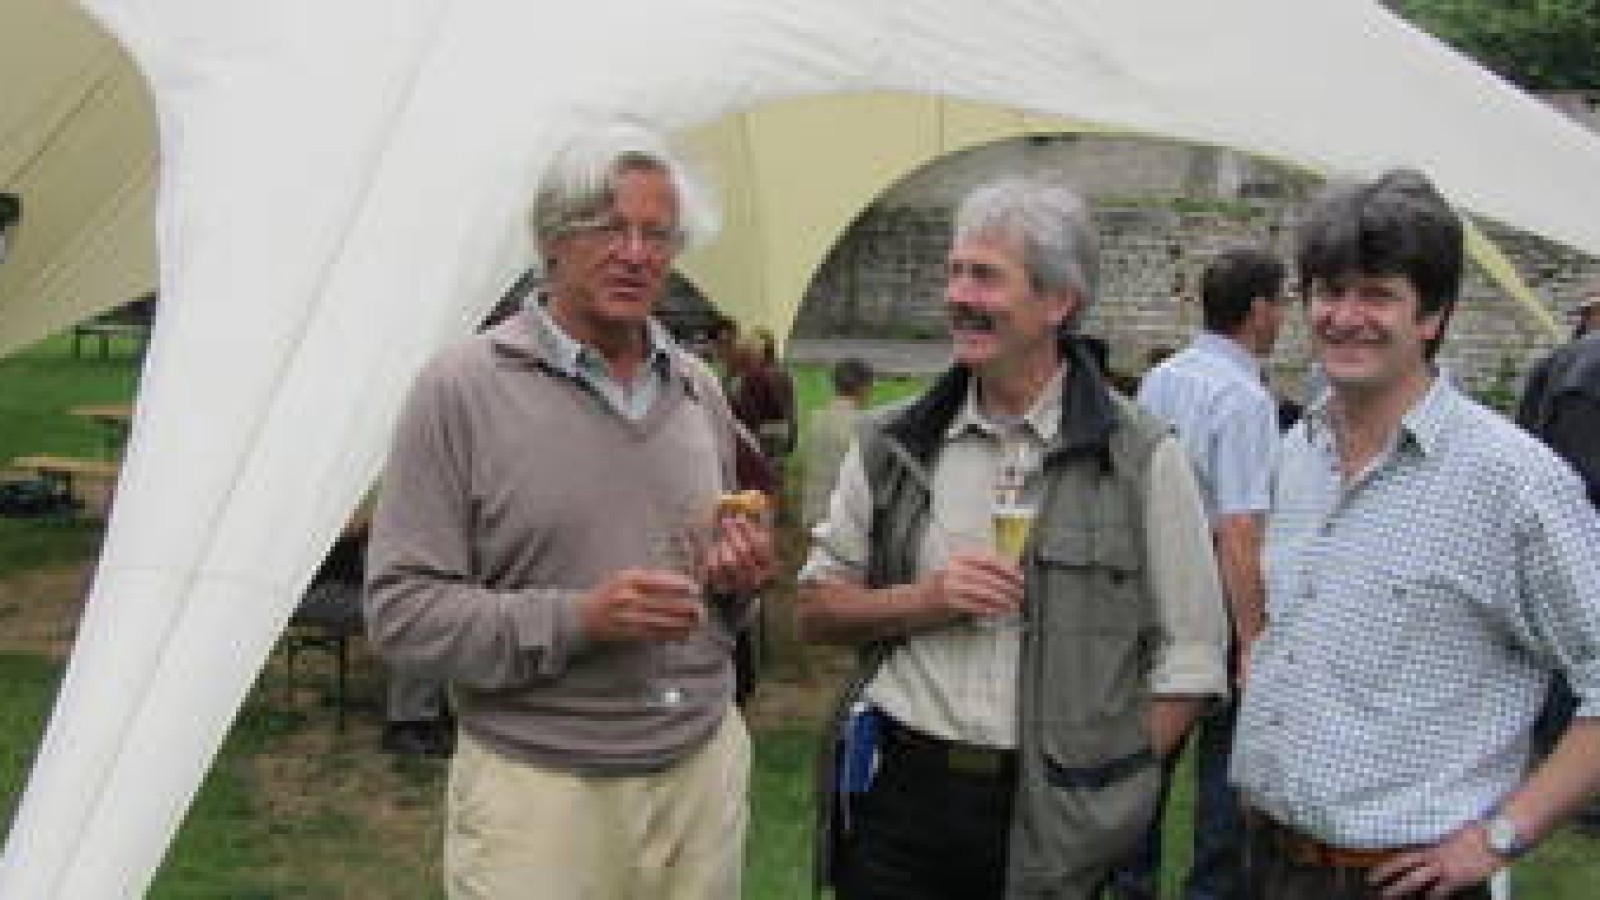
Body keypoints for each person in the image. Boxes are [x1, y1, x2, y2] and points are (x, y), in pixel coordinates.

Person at [364, 120, 776, 899]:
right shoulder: (461, 389)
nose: (635, 252)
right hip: (543, 794)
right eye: (607, 227)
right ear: (552, 240)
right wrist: (581, 619)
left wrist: (737, 581)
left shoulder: (698, 390)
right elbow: (401, 611)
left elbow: (719, 594)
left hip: (702, 768)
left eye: (658, 234)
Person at [798, 175, 1230, 899]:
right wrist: (929, 599)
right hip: (902, 794)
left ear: (1057, 302)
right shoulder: (894, 441)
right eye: (956, 272)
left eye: (986, 277)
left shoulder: (1141, 457)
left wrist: (1108, 789)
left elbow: (1192, 657)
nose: (959, 295)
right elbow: (814, 609)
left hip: (1048, 809)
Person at [1231, 169, 1600, 899]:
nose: (1345, 316)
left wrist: (1500, 837)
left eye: (1377, 294)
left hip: (1406, 881)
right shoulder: (1298, 453)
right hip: (1268, 861)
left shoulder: (1514, 482)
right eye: (1330, 291)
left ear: (1432, 316)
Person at [1112, 247, 1287, 900]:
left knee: (1151, 753)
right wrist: (1254, 637)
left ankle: (1131, 883)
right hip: (1215, 590)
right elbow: (1239, 528)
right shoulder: (1243, 398)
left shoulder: (1164, 378)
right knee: (1225, 769)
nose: (1286, 317)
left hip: (1152, 581)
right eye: (1283, 303)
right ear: (1259, 311)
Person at [801, 356, 874, 528]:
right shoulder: (864, 425)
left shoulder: (816, 418)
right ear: (863, 388)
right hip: (842, 521)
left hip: (814, 514)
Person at [728, 328, 798, 462]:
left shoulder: (752, 377)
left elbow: (747, 413)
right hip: (782, 434)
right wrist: (792, 434)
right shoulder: (785, 374)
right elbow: (792, 410)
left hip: (759, 436)